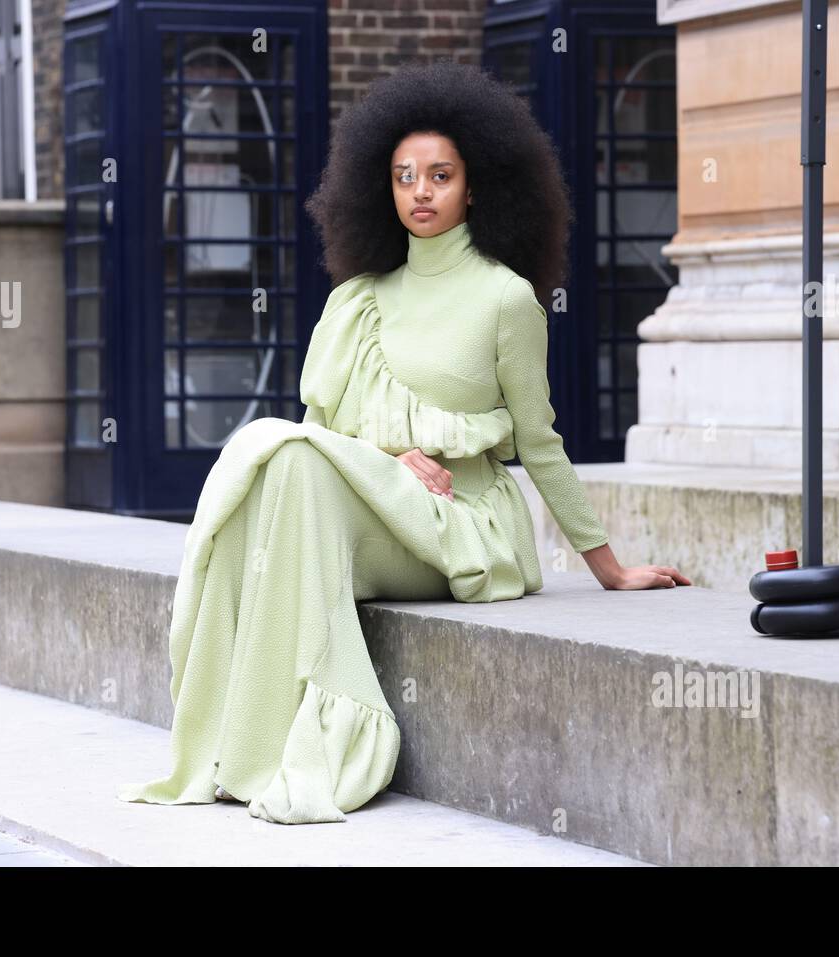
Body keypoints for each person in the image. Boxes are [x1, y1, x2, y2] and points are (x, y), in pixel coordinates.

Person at [116, 61, 690, 826]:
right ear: (379, 188)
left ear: (475, 185)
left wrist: (607, 566)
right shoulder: (356, 299)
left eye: (441, 175)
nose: (421, 191)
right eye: (404, 176)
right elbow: (320, 440)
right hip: (369, 508)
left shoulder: (505, 298)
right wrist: (384, 463)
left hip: (464, 522)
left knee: (288, 461)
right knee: (282, 461)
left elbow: (540, 442)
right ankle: (242, 743)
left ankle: (298, 739)